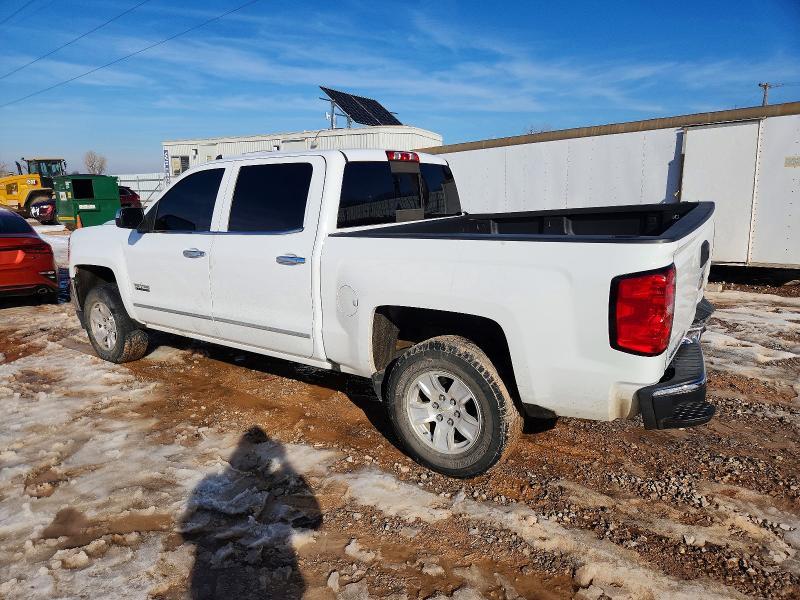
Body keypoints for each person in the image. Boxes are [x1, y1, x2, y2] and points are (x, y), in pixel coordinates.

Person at [180, 426, 321, 599]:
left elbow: (188, 532)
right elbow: (313, 522)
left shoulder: (211, 485)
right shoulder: (217, 486)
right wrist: (285, 462)